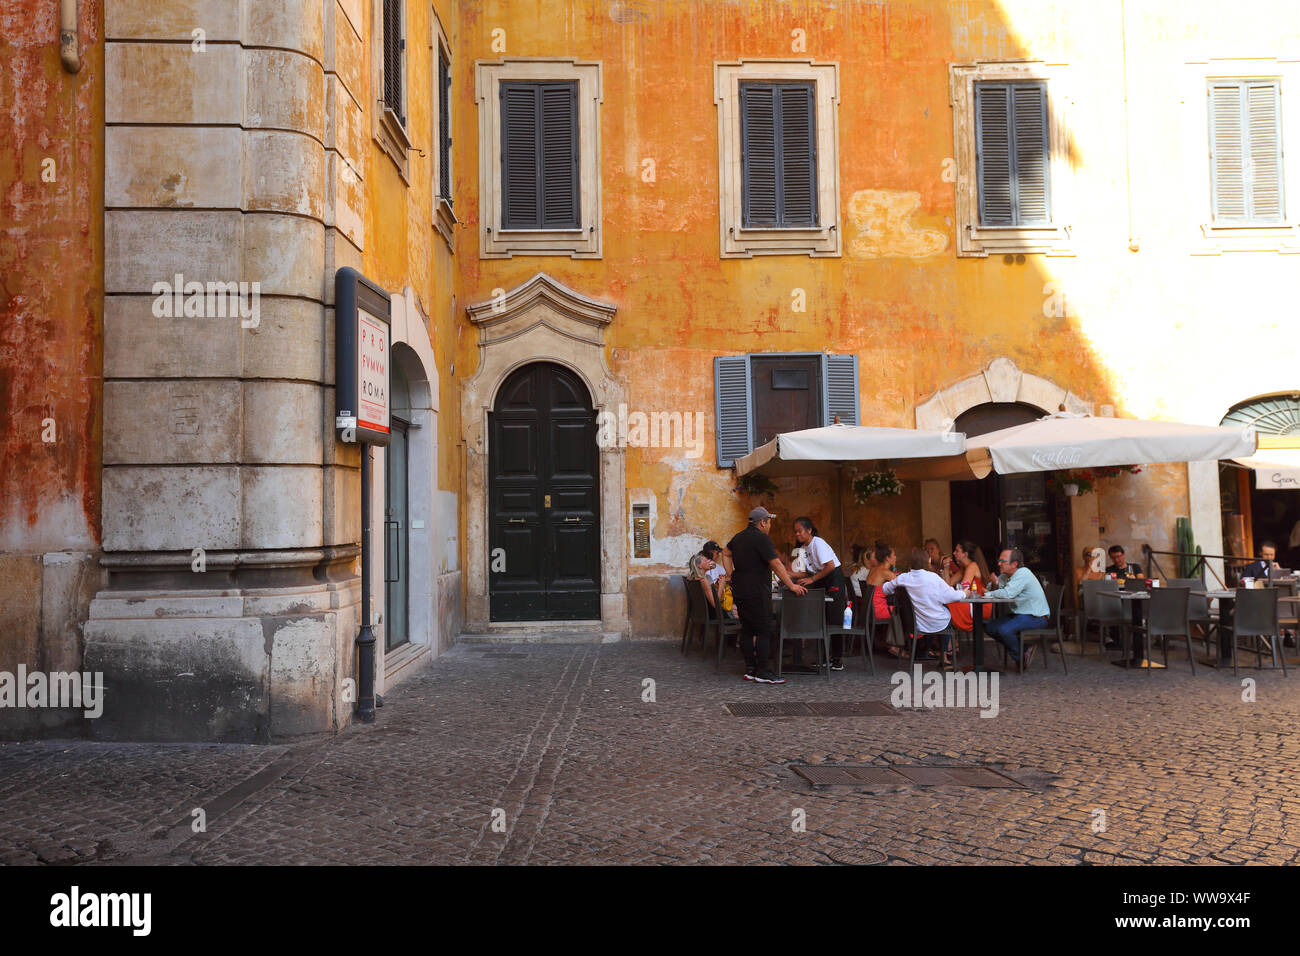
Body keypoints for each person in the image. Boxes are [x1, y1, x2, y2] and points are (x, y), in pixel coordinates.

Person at [723, 506, 806, 685]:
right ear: (763, 522)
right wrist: (791, 585)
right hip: (757, 590)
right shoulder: (762, 538)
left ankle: (750, 670)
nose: (769, 526)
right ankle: (764, 672)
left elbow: (725, 553)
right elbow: (776, 563)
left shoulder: (738, 537)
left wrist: (731, 574)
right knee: (763, 630)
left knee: (747, 629)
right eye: (769, 522)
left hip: (740, 588)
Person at [882, 548, 967, 666]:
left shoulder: (903, 578)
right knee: (947, 612)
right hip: (935, 622)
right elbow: (951, 596)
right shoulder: (933, 578)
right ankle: (944, 655)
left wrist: (896, 587)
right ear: (928, 561)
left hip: (914, 624)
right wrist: (964, 593)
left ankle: (935, 652)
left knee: (942, 612)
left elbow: (885, 588)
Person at [790, 517, 848, 670]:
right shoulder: (802, 549)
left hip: (834, 578)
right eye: (795, 532)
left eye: (800, 531)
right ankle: (824, 657)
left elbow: (829, 566)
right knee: (821, 618)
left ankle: (837, 659)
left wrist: (812, 579)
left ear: (809, 530)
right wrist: (785, 573)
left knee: (834, 620)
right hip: (822, 579)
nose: (797, 534)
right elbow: (803, 573)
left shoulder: (818, 543)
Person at [984, 548, 1050, 669]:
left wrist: (990, 593)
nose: (999, 563)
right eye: (999, 561)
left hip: (1037, 617)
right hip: (1020, 614)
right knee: (990, 627)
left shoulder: (1023, 573)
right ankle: (1024, 650)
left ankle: (1020, 658)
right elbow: (996, 590)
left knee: (1004, 630)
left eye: (1002, 561)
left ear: (1014, 564)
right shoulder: (1005, 575)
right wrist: (994, 585)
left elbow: (1007, 593)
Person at [946, 540, 993, 636]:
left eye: (957, 551)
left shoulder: (972, 566)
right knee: (945, 605)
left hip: (980, 606)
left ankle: (949, 644)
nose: (954, 553)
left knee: (946, 607)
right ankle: (950, 643)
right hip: (970, 603)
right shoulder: (964, 568)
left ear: (965, 554)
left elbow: (964, 588)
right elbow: (948, 584)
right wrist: (946, 568)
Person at [686, 541, 727, 619]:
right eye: (705, 560)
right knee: (737, 611)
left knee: (734, 609)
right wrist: (721, 586)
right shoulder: (704, 580)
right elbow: (715, 604)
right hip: (712, 614)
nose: (709, 561)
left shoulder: (695, 578)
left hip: (702, 612)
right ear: (699, 565)